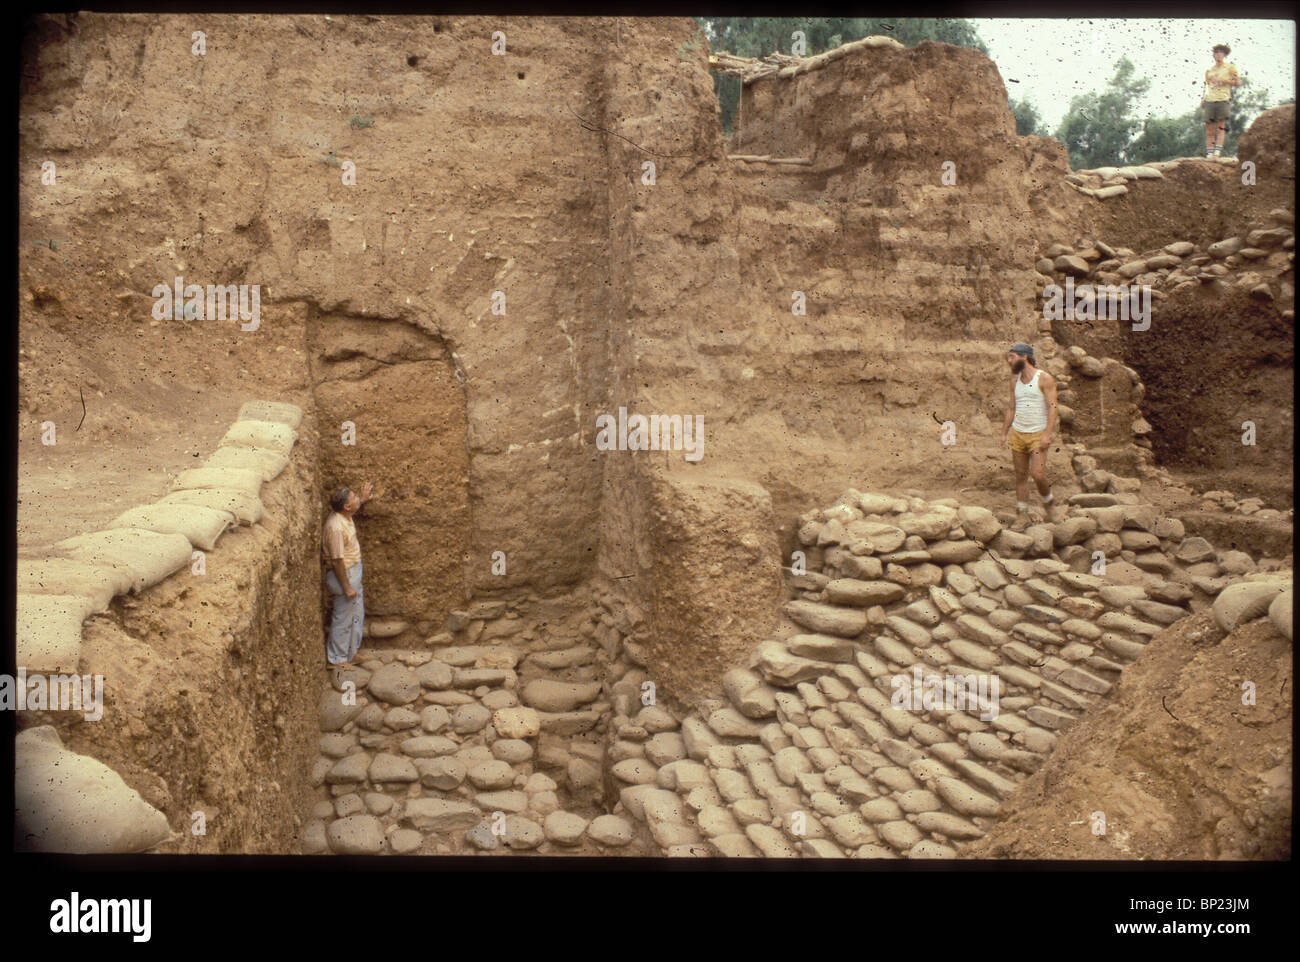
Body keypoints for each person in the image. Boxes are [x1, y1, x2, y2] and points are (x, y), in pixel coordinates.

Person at [999, 343, 1058, 518]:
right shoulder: (1014, 382)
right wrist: (1004, 433)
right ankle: (1022, 515)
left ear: (1025, 356)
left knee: (1037, 474)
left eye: (1012, 357)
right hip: (1018, 433)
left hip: (1038, 433)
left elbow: (1053, 407)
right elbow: (1011, 408)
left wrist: (1048, 434)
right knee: (1020, 476)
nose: (1009, 361)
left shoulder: (1044, 379)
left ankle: (1049, 504)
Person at [323, 481, 374, 669]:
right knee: (344, 617)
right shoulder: (335, 527)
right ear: (346, 506)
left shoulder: (345, 514)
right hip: (343, 575)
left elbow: (356, 504)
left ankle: (351, 654)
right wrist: (346, 586)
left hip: (353, 571)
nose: (356, 500)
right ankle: (337, 659)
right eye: (353, 498)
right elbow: (337, 560)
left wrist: (363, 498)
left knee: (356, 615)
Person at [1203, 43, 1241, 159]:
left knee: (1220, 126)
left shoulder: (1230, 68)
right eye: (1216, 52)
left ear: (1224, 54)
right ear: (1213, 55)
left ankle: (1217, 152)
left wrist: (1223, 80)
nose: (1218, 54)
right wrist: (1203, 99)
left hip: (1223, 99)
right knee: (1209, 128)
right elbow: (1206, 85)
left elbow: (1238, 83)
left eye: (1220, 52)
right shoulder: (1209, 70)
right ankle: (1209, 153)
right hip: (1210, 100)